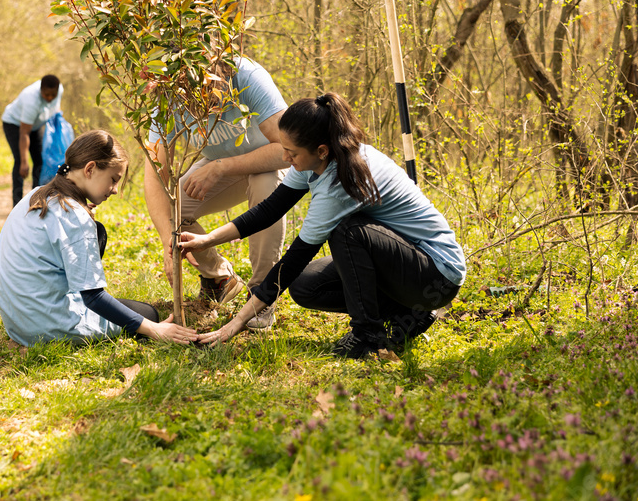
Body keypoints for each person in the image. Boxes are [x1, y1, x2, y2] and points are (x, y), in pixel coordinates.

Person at [183, 93, 466, 359]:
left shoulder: (341, 182)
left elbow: (293, 260)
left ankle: (368, 335)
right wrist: (207, 240)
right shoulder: (320, 160)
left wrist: (237, 322)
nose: (285, 158)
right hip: (402, 262)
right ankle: (409, 313)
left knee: (348, 232)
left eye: (291, 152)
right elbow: (269, 210)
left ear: (321, 150)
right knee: (306, 286)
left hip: (436, 275)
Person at [0, 130, 198, 346]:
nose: (115, 190)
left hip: (17, 322)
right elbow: (93, 298)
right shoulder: (75, 217)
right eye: (113, 179)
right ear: (90, 169)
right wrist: (154, 329)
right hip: (45, 328)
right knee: (148, 313)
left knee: (100, 238)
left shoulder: (36, 195)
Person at [144, 56, 288, 329]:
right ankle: (220, 278)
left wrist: (222, 167)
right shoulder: (169, 97)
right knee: (174, 209)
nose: (202, 106)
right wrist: (166, 240)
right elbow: (155, 173)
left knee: (265, 187)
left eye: (208, 92)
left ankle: (262, 295)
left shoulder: (247, 77)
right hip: (220, 165)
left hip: (269, 162)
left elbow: (287, 148)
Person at [2, 75, 63, 206]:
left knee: (40, 161)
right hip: (14, 124)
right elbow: (24, 133)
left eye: (53, 95)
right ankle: (17, 205)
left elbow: (55, 108)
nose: (50, 98)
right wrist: (25, 162)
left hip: (35, 125)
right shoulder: (31, 100)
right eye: (46, 95)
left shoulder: (60, 90)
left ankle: (36, 202)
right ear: (41, 90)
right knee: (20, 163)